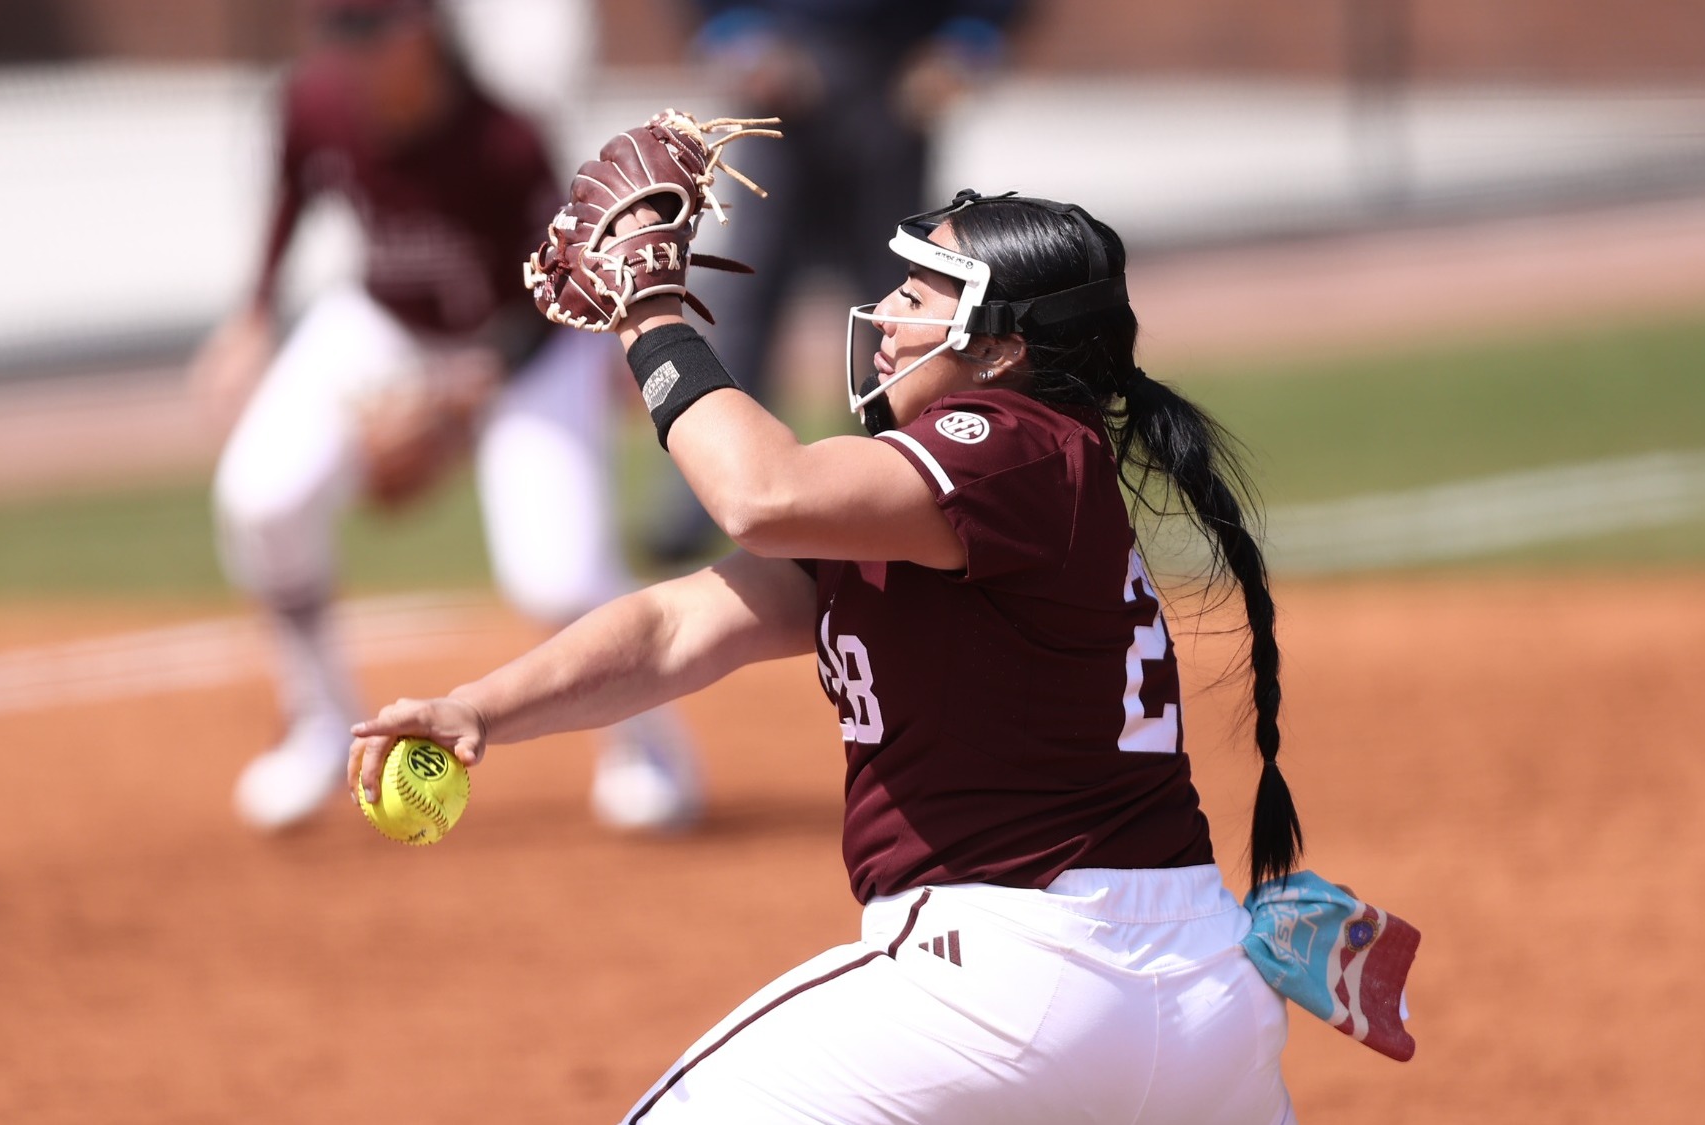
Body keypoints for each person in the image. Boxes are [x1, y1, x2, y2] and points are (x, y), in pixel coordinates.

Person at [349, 187, 1314, 1122]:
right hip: (1202, 1001)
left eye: (919, 293)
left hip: (1018, 982)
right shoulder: (956, 498)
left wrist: (651, 312)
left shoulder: (1007, 444)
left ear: (1004, 348)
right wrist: (480, 707)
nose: (886, 317)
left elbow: (759, 493)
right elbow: (678, 626)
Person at [194, 0, 701, 834]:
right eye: (334, 32)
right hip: (385, 324)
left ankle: (646, 744)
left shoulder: (502, 139)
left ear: (422, 28)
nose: (347, 51)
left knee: (557, 577)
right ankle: (322, 721)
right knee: (261, 497)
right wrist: (252, 315)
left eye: (368, 29)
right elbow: (291, 191)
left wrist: (462, 400)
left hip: (531, 342)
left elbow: (561, 287)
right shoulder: (316, 102)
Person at [641, 0, 1024, 564]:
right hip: (778, 81)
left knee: (902, 300)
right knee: (744, 296)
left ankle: (899, 476)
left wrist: (966, 45)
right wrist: (736, 37)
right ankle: (702, 490)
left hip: (897, 81)